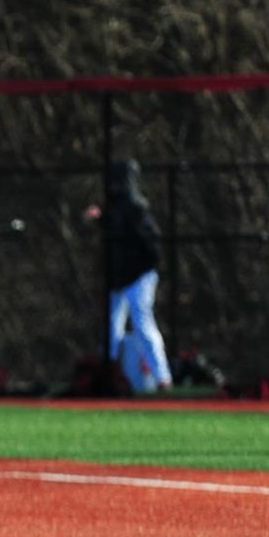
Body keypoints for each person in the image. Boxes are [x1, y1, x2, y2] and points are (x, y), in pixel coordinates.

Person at [85, 158, 171, 393]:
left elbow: (152, 247)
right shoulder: (117, 209)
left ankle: (163, 378)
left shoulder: (135, 208)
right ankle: (107, 376)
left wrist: (146, 268)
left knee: (142, 322)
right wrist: (100, 219)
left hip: (140, 276)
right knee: (112, 328)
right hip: (121, 278)